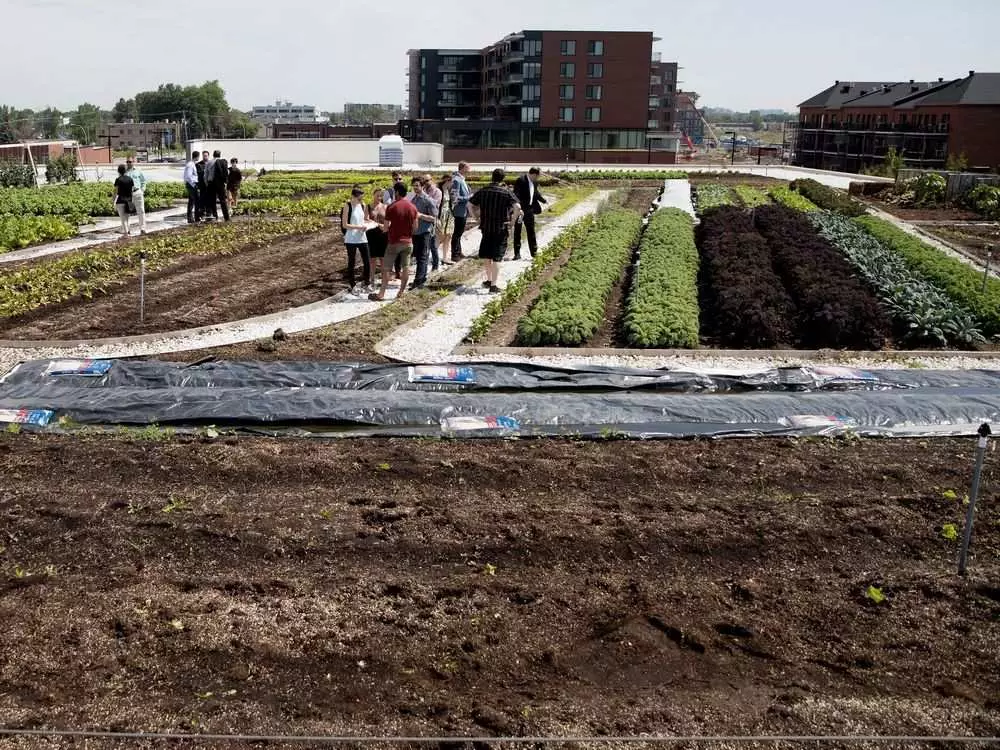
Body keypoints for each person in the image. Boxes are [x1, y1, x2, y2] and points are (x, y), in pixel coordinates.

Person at [469, 168, 521, 294]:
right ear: (503, 178)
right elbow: (517, 207)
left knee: (487, 254)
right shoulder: (506, 192)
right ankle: (494, 285)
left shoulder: (484, 190)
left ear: (492, 177)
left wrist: (476, 218)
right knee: (497, 256)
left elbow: (470, 204)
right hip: (500, 227)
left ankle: (488, 280)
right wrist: (513, 221)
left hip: (486, 227)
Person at [369, 182, 417, 302]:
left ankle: (381, 294)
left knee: (386, 268)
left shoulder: (392, 207)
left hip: (394, 242)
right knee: (405, 267)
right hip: (408, 242)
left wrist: (384, 228)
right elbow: (415, 227)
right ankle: (401, 292)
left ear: (396, 192)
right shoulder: (413, 207)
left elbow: (385, 228)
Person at [409, 177, 439, 290]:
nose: (415, 188)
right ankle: (421, 278)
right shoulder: (414, 199)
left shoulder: (428, 200)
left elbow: (434, 218)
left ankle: (419, 280)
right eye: (414, 186)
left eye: (417, 186)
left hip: (425, 231)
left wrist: (421, 216)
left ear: (422, 186)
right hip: (415, 231)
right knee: (418, 256)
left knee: (422, 256)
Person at [342, 188, 372, 293]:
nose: (361, 199)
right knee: (352, 262)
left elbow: (362, 219)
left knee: (367, 261)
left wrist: (369, 223)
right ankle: (352, 285)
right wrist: (359, 227)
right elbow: (344, 225)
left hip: (362, 237)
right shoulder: (347, 206)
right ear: (354, 196)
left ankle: (367, 282)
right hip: (351, 238)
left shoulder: (362, 205)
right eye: (359, 197)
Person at [512, 167, 547, 260]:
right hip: (520, 211)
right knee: (517, 231)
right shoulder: (521, 180)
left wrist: (544, 201)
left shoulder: (534, 182)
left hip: (529, 210)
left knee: (531, 231)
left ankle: (534, 252)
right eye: (538, 176)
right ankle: (517, 253)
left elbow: (535, 193)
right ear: (534, 174)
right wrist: (518, 207)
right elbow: (515, 194)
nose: (538, 178)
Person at [449, 161, 473, 262]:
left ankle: (458, 251)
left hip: (463, 210)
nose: (469, 170)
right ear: (462, 168)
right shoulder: (457, 180)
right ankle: (455, 254)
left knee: (459, 233)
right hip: (459, 211)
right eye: (468, 168)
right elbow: (455, 197)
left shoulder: (461, 179)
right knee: (457, 233)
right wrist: (469, 197)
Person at [366, 189, 388, 291]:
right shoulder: (368, 207)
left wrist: (382, 225)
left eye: (380, 196)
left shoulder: (385, 207)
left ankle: (384, 280)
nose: (379, 198)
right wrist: (376, 224)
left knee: (383, 259)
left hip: (383, 235)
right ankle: (372, 280)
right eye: (377, 195)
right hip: (371, 235)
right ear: (373, 195)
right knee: (372, 259)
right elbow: (366, 219)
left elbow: (389, 222)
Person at [422, 173, 443, 271]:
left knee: (432, 245)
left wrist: (425, 197)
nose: (425, 183)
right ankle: (424, 266)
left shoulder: (437, 191)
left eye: (427, 180)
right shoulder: (424, 191)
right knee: (425, 245)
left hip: (432, 220)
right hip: (423, 219)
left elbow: (435, 205)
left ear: (432, 179)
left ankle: (435, 265)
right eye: (424, 181)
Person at [125, 158, 148, 235]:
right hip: (127, 194)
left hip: (137, 193)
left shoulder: (138, 171)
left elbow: (143, 181)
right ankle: (127, 230)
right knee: (127, 213)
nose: (128, 163)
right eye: (127, 162)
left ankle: (143, 229)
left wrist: (142, 190)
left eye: (130, 162)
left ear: (133, 162)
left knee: (141, 211)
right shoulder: (124, 172)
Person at [112, 164, 135, 236]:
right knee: (127, 218)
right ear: (125, 171)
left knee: (123, 218)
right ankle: (127, 231)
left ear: (118, 171)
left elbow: (115, 191)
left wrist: (113, 201)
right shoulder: (130, 179)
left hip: (120, 200)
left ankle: (126, 233)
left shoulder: (118, 180)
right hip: (129, 200)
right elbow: (132, 190)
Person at [437, 174, 455, 265]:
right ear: (448, 181)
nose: (452, 184)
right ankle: (434, 256)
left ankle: (445, 257)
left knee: (448, 236)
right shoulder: (439, 190)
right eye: (451, 181)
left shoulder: (448, 190)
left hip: (449, 215)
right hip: (441, 215)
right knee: (440, 236)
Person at [210, 150, 231, 222]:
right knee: (223, 201)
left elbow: (206, 174)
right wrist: (225, 182)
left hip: (212, 183)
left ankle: (215, 217)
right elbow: (227, 172)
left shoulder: (210, 162)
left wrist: (207, 182)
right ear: (220, 155)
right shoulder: (224, 162)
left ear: (213, 155)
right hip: (221, 184)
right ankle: (226, 217)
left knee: (212, 201)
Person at [183, 152, 200, 223]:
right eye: (198, 157)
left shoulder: (192, 164)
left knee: (193, 201)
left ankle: (194, 217)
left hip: (192, 184)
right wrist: (194, 185)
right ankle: (190, 218)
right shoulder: (190, 165)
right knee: (192, 201)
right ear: (196, 157)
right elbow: (189, 176)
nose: (199, 158)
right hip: (191, 185)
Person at [198, 150, 213, 220]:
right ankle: (202, 213)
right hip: (202, 185)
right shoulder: (199, 164)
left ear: (208, 156)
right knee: (202, 199)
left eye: (206, 156)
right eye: (204, 156)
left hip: (209, 185)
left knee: (209, 199)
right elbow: (198, 174)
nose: (205, 157)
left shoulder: (211, 163)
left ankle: (209, 212)